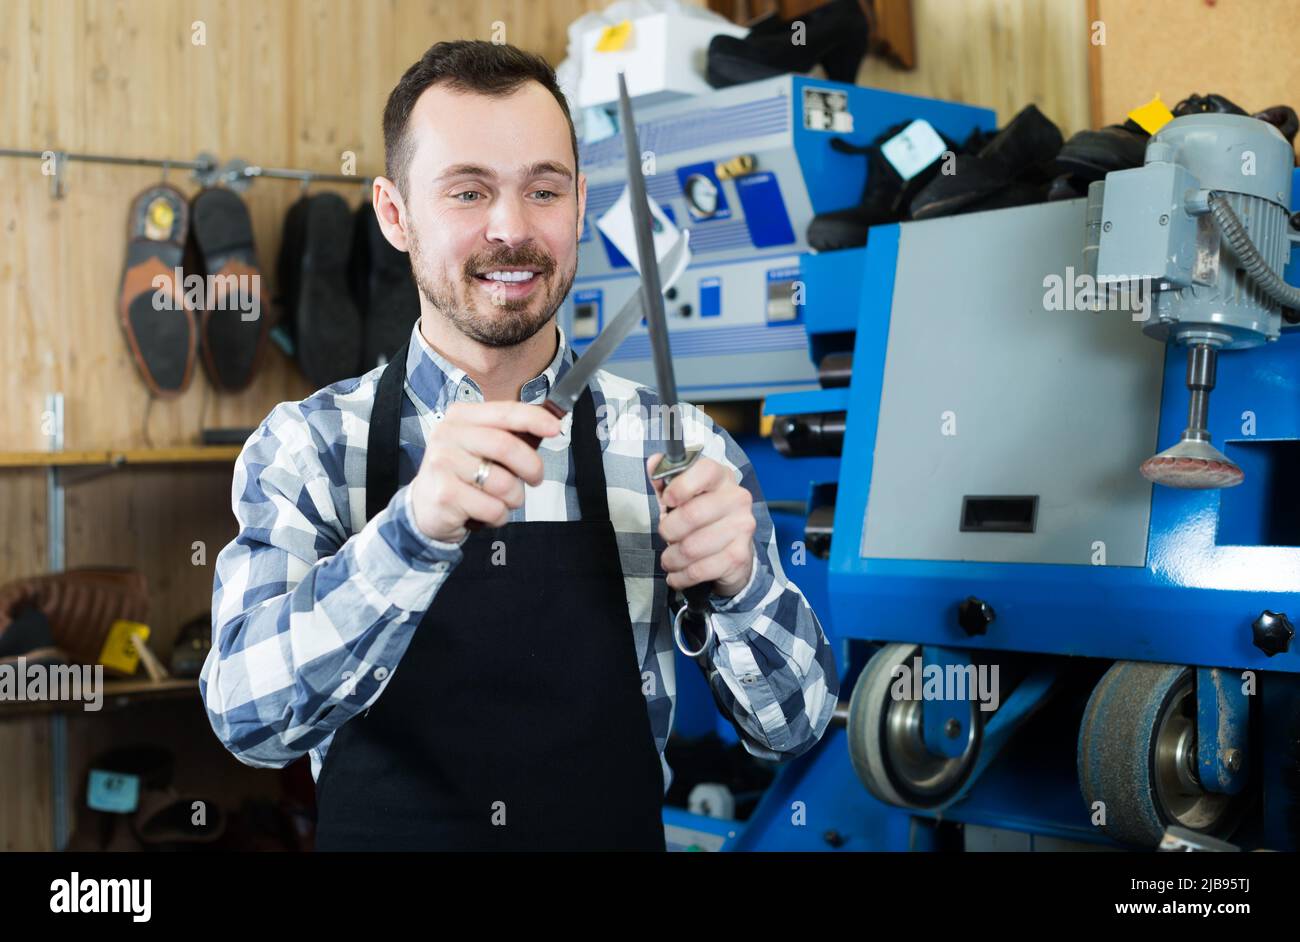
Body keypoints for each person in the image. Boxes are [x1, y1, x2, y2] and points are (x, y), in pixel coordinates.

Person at [202, 39, 838, 851]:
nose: (512, 230)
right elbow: (248, 722)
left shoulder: (672, 447)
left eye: (544, 189)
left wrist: (741, 588)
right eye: (468, 192)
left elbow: (796, 728)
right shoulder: (312, 447)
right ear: (396, 215)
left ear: (578, 210)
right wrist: (407, 539)